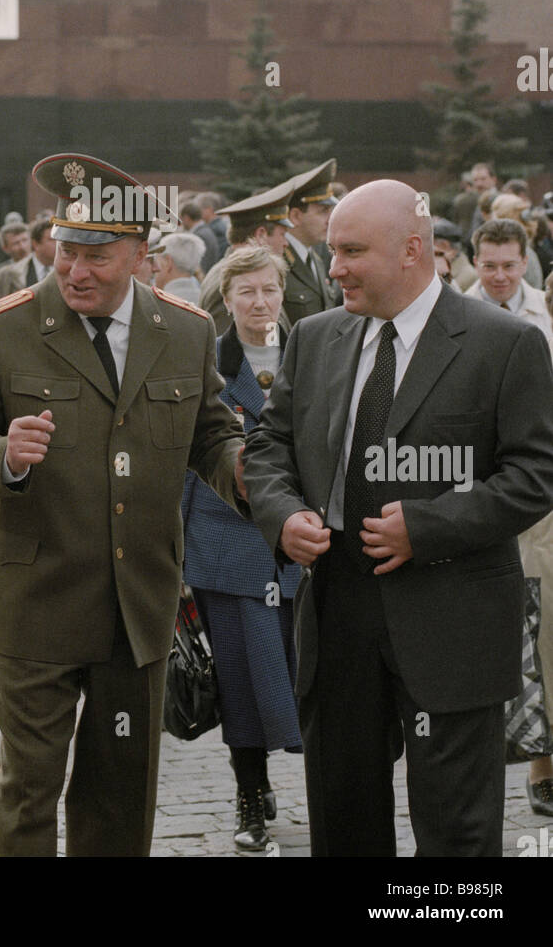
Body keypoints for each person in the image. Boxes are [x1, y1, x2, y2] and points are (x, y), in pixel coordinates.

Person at [0, 153, 245, 857]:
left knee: (120, 790)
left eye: (97, 256)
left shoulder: (187, 330)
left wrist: (243, 473)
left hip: (136, 606)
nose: (75, 270)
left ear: (142, 254)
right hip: (36, 603)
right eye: (65, 250)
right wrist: (4, 457)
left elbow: (211, 434)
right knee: (28, 792)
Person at [243, 179, 553, 857]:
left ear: (411, 251)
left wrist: (431, 525)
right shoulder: (316, 339)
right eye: (331, 251)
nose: (333, 268)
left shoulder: (504, 344)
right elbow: (268, 448)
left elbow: (535, 475)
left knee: (456, 836)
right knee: (343, 821)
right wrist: (283, 515)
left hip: (452, 625)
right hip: (337, 619)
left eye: (351, 251)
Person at [182, 246, 301, 854]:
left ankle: (337, 791)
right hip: (224, 539)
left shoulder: (313, 349)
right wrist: (176, 555)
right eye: (247, 293)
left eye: (269, 290)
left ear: (283, 294)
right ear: (226, 299)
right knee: (240, 676)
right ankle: (251, 794)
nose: (260, 303)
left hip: (304, 541)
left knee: (312, 671)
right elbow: (188, 457)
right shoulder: (209, 361)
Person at [466, 218, 553, 813]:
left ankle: (542, 765)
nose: (499, 276)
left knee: (544, 632)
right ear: (477, 261)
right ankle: (484, 765)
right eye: (489, 264)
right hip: (480, 491)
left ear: (525, 262)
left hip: (542, 499)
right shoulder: (454, 313)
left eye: (509, 265)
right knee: (493, 631)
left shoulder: (546, 316)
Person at [199, 178, 295, 334]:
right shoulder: (230, 279)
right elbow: (229, 351)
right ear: (261, 234)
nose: (285, 243)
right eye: (282, 234)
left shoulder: (242, 274)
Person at [282, 160, 342, 326]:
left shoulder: (315, 258)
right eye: (323, 212)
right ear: (295, 216)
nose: (330, 220)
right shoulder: (278, 262)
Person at [0, 215, 56, 303]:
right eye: (16, 243)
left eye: (25, 240)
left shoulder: (68, 269)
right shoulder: (3, 276)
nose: (22, 247)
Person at [150, 231, 204, 304]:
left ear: (168, 262)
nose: (155, 268)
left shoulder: (158, 304)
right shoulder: (204, 300)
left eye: (156, 260)